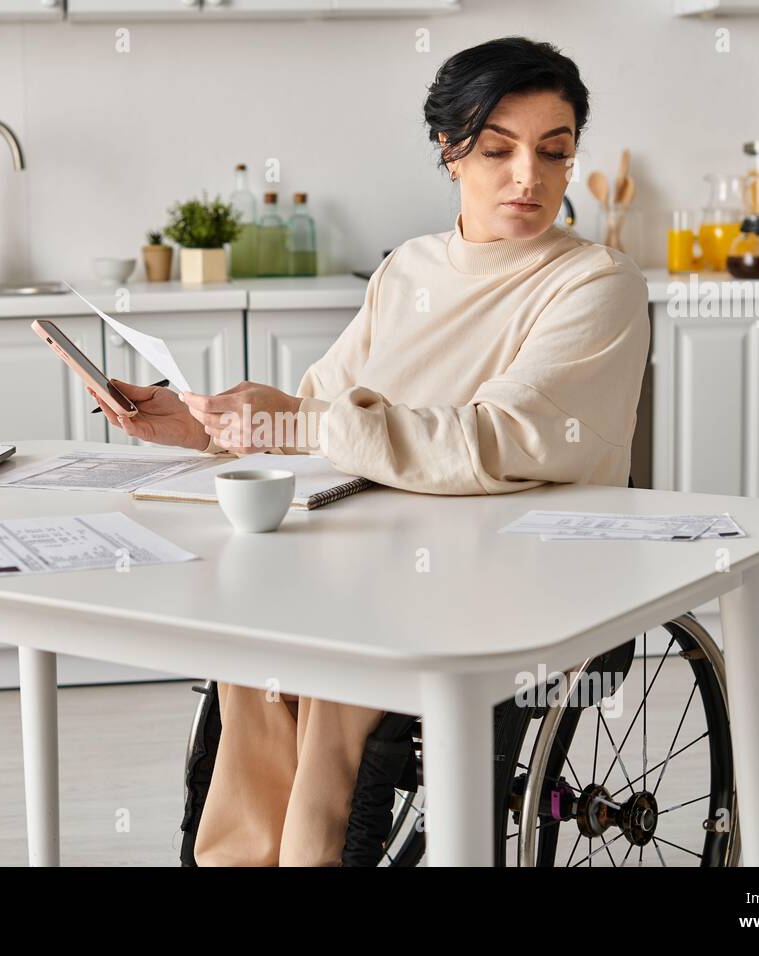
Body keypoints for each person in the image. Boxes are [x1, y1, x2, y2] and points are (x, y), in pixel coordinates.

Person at [88, 36, 650, 866]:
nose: (529, 176)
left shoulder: (595, 284)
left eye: (554, 151)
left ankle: (314, 853)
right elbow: (320, 410)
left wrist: (311, 424)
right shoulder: (409, 270)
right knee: (253, 640)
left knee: (336, 648)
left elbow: (495, 442)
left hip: (519, 573)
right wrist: (205, 427)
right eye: (498, 149)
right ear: (450, 154)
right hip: (380, 551)